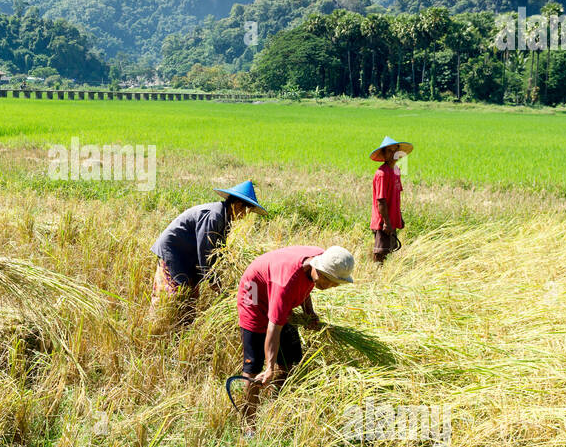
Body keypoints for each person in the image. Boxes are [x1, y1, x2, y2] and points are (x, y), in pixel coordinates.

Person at [235, 244, 355, 430]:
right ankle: (249, 424)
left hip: (277, 291)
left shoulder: (320, 261)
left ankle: (276, 404)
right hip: (255, 296)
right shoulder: (286, 284)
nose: (331, 286)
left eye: (335, 283)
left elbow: (304, 285)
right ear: (318, 269)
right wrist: (269, 367)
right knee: (254, 364)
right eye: (329, 280)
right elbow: (273, 329)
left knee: (290, 359)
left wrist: (309, 312)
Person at [149, 181, 264, 323]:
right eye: (246, 211)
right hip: (175, 251)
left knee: (189, 298)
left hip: (188, 256)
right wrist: (212, 280)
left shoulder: (226, 218)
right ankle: (158, 327)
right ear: (238, 205)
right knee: (172, 295)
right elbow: (205, 250)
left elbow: (218, 250)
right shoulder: (214, 215)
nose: (245, 216)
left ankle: (182, 330)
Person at [369, 137, 412, 263]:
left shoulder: (396, 170)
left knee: (390, 252)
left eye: (395, 151)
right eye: (389, 151)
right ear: (384, 154)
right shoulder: (382, 173)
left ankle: (385, 278)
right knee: (380, 253)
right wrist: (387, 222)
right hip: (383, 222)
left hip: (391, 219)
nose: (393, 154)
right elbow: (381, 201)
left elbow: (396, 197)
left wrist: (399, 217)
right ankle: (376, 277)